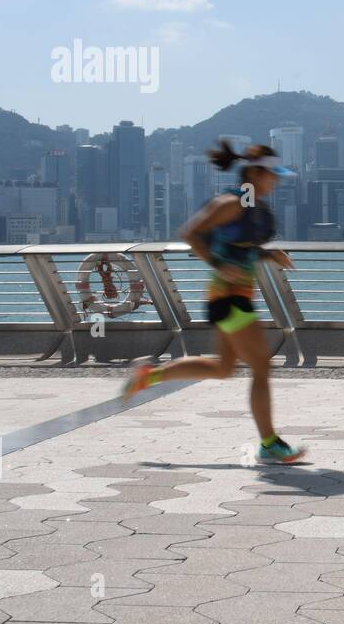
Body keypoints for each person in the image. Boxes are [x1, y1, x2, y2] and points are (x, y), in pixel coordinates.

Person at [123, 141, 306, 464]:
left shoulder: (254, 207)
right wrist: (219, 265)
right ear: (254, 173)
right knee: (262, 364)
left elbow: (238, 247)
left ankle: (149, 375)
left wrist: (267, 253)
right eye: (271, 176)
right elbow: (190, 233)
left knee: (222, 368)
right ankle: (269, 443)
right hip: (227, 296)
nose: (275, 182)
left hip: (236, 295)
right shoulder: (230, 203)